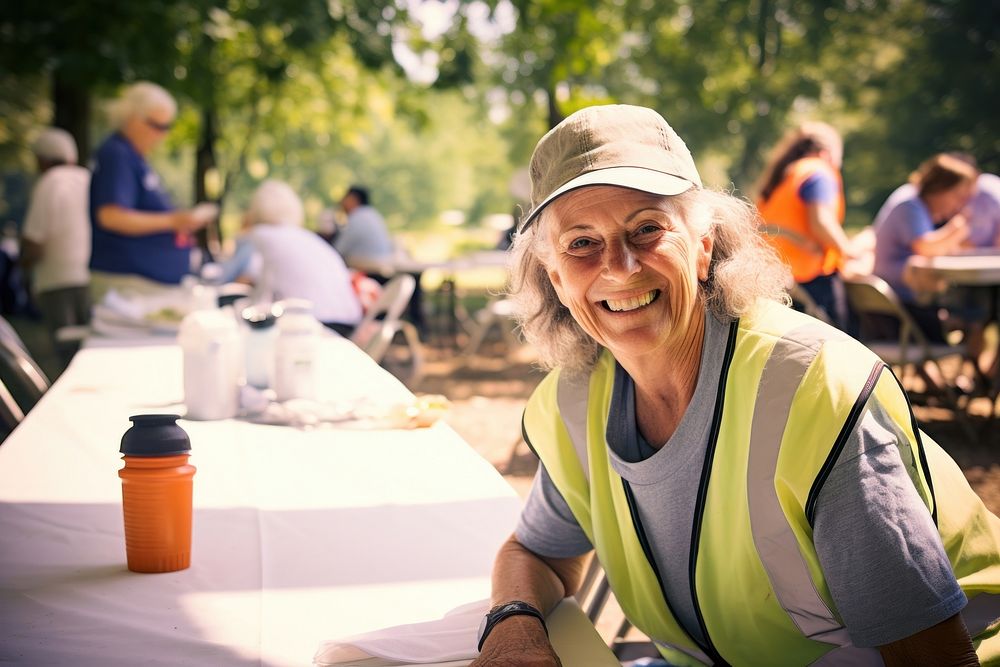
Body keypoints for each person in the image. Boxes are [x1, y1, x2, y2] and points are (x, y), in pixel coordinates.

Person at [471, 104, 1000, 667]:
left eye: (646, 229)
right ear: (555, 277)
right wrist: (513, 629)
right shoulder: (574, 400)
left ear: (703, 246)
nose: (620, 267)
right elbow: (538, 553)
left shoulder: (810, 389)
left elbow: (935, 656)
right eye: (582, 243)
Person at [89, 81, 211, 300]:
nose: (163, 135)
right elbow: (111, 216)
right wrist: (172, 221)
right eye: (157, 126)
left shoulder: (134, 158)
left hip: (142, 283)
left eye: (167, 127)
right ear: (133, 119)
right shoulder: (118, 154)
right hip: (127, 283)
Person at [217, 180, 362, 336]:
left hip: (312, 324)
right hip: (349, 324)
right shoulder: (307, 237)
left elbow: (227, 280)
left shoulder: (258, 235)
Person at [756, 121, 859, 330]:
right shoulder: (819, 173)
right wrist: (849, 252)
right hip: (811, 279)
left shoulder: (784, 175)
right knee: (841, 340)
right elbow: (821, 222)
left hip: (777, 277)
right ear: (827, 154)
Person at [872, 154, 979, 347]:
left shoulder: (915, 202)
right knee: (975, 311)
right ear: (941, 188)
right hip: (903, 302)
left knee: (974, 310)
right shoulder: (910, 205)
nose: (959, 204)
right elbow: (925, 248)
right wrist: (955, 229)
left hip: (902, 300)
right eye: (957, 196)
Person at [19, 128, 91, 347]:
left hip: (56, 282)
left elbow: (34, 241)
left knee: (66, 350)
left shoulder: (49, 182)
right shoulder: (87, 178)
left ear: (41, 160)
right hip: (91, 278)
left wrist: (23, 270)